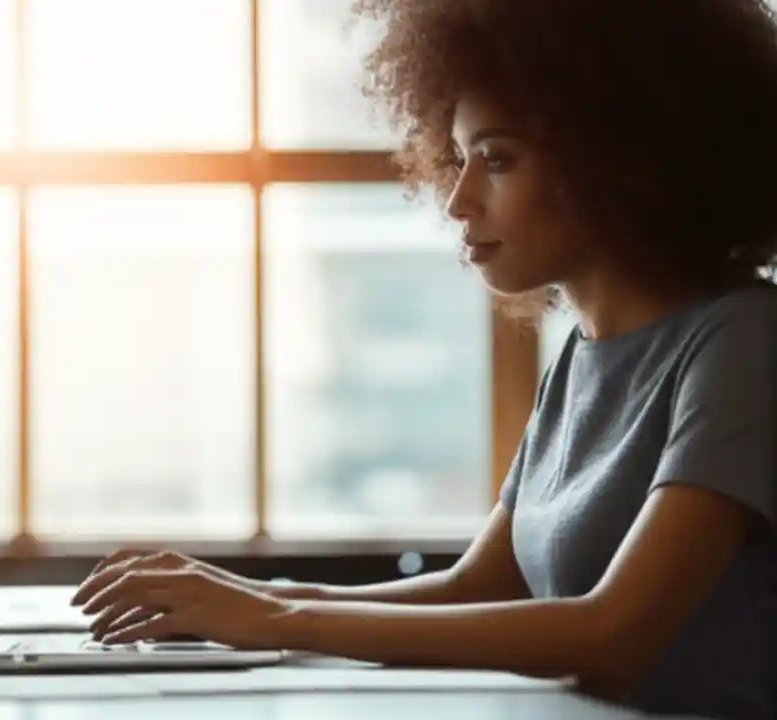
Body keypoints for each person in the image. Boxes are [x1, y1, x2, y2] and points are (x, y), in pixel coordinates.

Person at [69, 1, 777, 718]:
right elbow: (477, 588)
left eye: (498, 159)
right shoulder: (585, 356)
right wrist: (243, 598)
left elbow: (615, 633)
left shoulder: (746, 340)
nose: (459, 199)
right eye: (461, 157)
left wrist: (274, 621)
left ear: (617, 159)